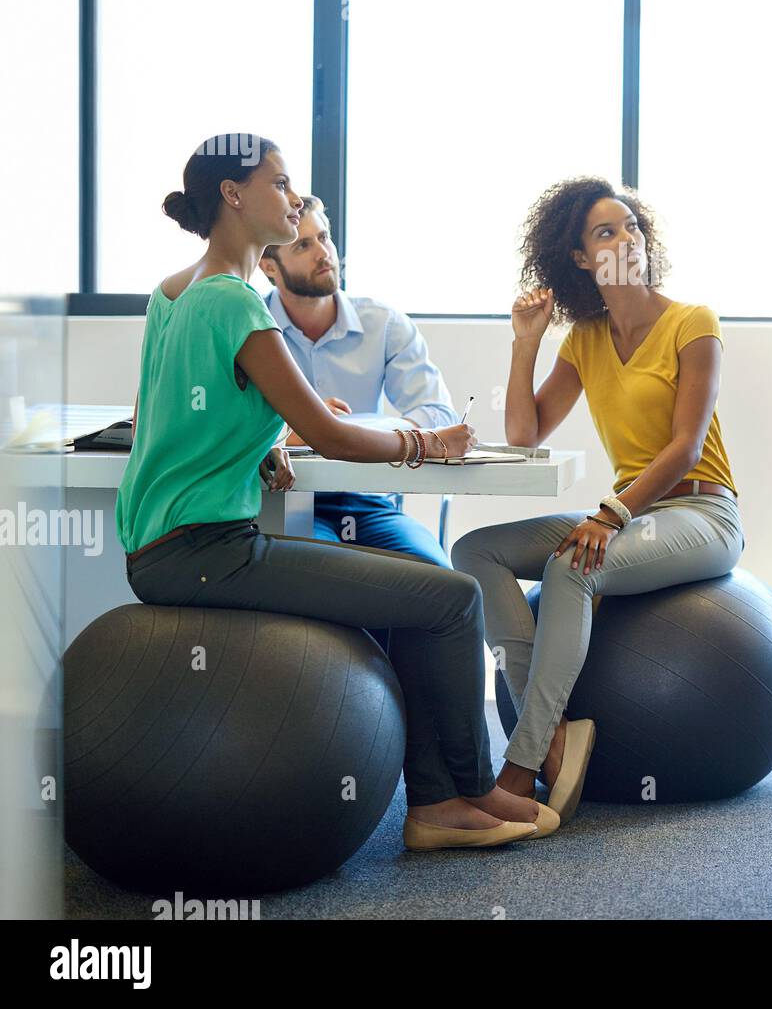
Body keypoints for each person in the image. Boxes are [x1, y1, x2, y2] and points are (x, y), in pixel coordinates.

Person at [117, 133, 557, 850]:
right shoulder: (235, 303)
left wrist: (265, 438)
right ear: (234, 196)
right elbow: (336, 434)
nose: (294, 200)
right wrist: (425, 442)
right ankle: (464, 792)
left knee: (424, 590)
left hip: (160, 547)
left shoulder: (171, 293)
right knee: (453, 597)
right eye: (282, 184)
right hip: (211, 549)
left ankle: (439, 802)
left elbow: (175, 417)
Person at [452, 177, 744, 825]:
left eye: (631, 227)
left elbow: (686, 448)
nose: (625, 238)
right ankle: (554, 735)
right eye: (605, 231)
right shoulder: (585, 337)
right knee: (476, 550)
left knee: (571, 565)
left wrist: (612, 513)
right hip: (635, 514)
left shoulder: (693, 323)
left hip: (701, 514)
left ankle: (521, 764)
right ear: (581, 258)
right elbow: (525, 433)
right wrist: (526, 343)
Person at [259, 195, 455, 567]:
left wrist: (357, 430)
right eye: (303, 244)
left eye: (325, 237)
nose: (324, 253)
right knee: (322, 576)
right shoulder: (250, 328)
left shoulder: (384, 324)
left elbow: (438, 414)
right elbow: (223, 426)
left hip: (370, 502)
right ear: (269, 266)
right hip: (288, 499)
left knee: (444, 582)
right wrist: (296, 429)